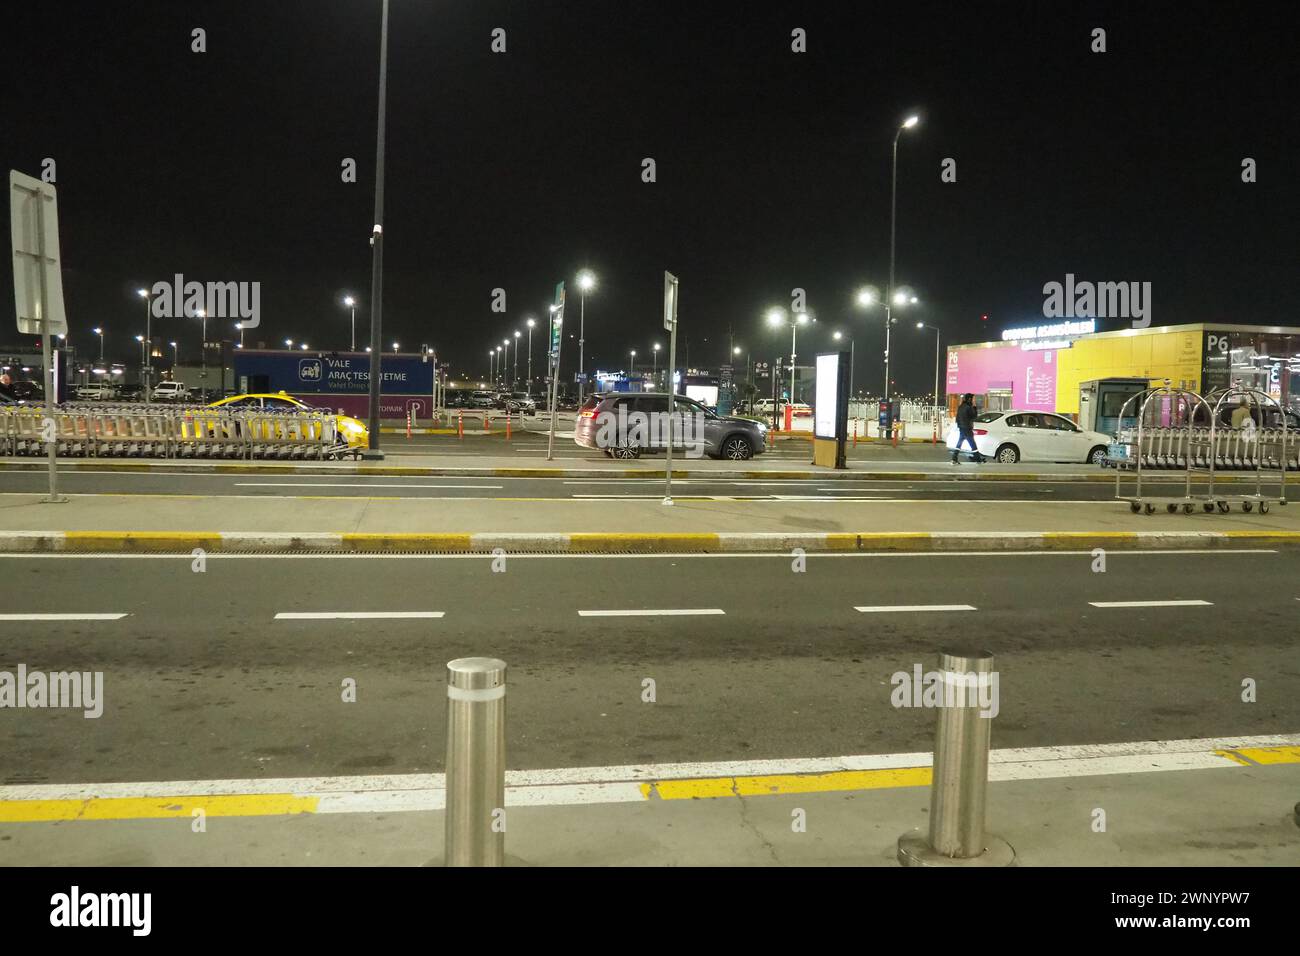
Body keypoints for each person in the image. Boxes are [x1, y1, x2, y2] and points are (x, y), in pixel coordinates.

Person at [952, 393, 985, 464]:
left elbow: (957, 418)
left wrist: (960, 425)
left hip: (961, 428)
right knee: (973, 444)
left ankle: (954, 458)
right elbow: (974, 416)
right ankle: (978, 460)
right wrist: (975, 407)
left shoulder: (961, 406)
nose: (974, 401)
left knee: (959, 444)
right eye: (973, 399)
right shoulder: (968, 407)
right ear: (970, 399)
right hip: (967, 428)